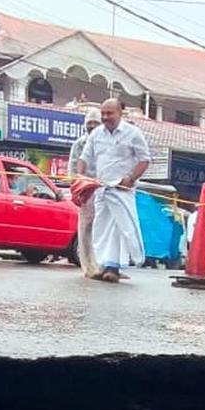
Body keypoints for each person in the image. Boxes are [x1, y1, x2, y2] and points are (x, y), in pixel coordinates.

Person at [81, 99, 150, 283]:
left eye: (109, 113)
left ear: (120, 113)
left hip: (122, 190)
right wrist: (81, 179)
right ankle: (102, 265)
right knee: (101, 227)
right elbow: (84, 158)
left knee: (119, 228)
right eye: (103, 113)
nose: (105, 117)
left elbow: (144, 159)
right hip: (101, 189)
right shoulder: (96, 134)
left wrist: (130, 179)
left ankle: (114, 268)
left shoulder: (133, 133)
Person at [70, 109, 103, 278]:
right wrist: (77, 189)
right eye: (89, 123)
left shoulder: (106, 142)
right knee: (85, 230)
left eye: (95, 122)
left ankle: (104, 266)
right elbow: (73, 169)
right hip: (86, 191)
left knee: (103, 229)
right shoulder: (79, 144)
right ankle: (88, 267)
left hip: (104, 190)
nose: (92, 126)